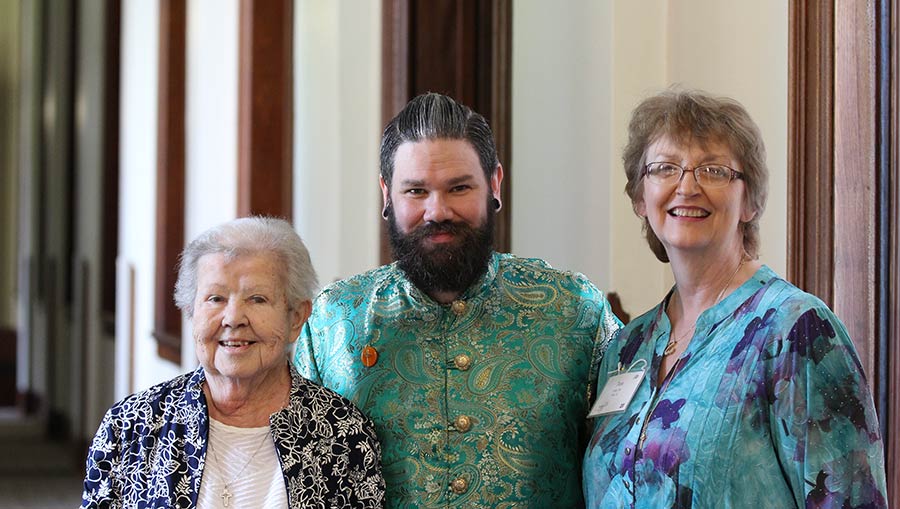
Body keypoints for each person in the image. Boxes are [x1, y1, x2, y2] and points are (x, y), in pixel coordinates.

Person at [294, 92, 621, 508]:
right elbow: (299, 478)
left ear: (494, 184)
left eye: (459, 187)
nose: (438, 211)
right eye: (415, 191)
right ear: (386, 194)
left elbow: (626, 467)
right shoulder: (332, 322)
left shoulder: (573, 311)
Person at [582, 89, 887, 507]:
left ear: (750, 201)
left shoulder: (796, 331)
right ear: (640, 198)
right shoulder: (626, 346)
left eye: (713, 170)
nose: (686, 186)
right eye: (665, 168)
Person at [82, 217, 385, 508]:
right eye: (215, 298)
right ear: (191, 312)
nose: (233, 318)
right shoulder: (132, 425)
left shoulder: (344, 435)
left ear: (296, 317)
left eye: (257, 299)